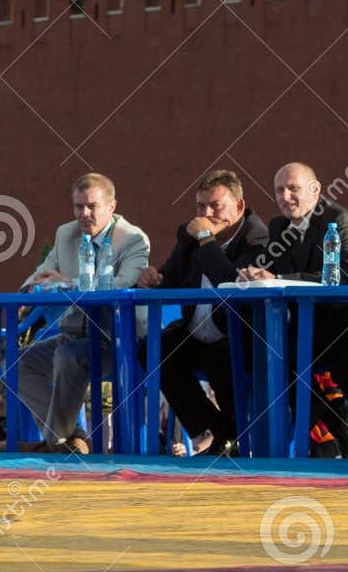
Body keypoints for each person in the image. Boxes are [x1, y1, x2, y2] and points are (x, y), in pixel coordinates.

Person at [13, 172, 151, 454]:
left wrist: (66, 284)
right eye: (78, 207)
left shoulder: (133, 239)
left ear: (111, 206)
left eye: (92, 206)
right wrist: (24, 294)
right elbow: (42, 273)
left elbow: (121, 286)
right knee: (20, 362)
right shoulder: (67, 234)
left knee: (68, 356)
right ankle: (71, 440)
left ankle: (57, 444)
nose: (84, 214)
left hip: (119, 342)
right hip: (74, 335)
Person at [138, 169, 269, 457]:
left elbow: (229, 282)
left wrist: (206, 239)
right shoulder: (190, 233)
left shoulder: (258, 237)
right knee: (152, 348)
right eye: (200, 206)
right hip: (196, 333)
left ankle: (233, 439)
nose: (207, 213)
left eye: (215, 206)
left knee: (220, 354)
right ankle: (218, 432)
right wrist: (151, 278)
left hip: (240, 336)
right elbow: (170, 277)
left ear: (239, 206)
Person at [239, 162, 348, 455]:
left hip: (338, 328)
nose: (286, 197)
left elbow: (340, 275)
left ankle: (333, 435)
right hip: (300, 328)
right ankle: (328, 437)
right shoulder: (278, 226)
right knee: (265, 352)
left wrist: (279, 278)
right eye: (279, 190)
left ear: (315, 191)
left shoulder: (338, 221)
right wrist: (253, 274)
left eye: (293, 189)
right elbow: (270, 269)